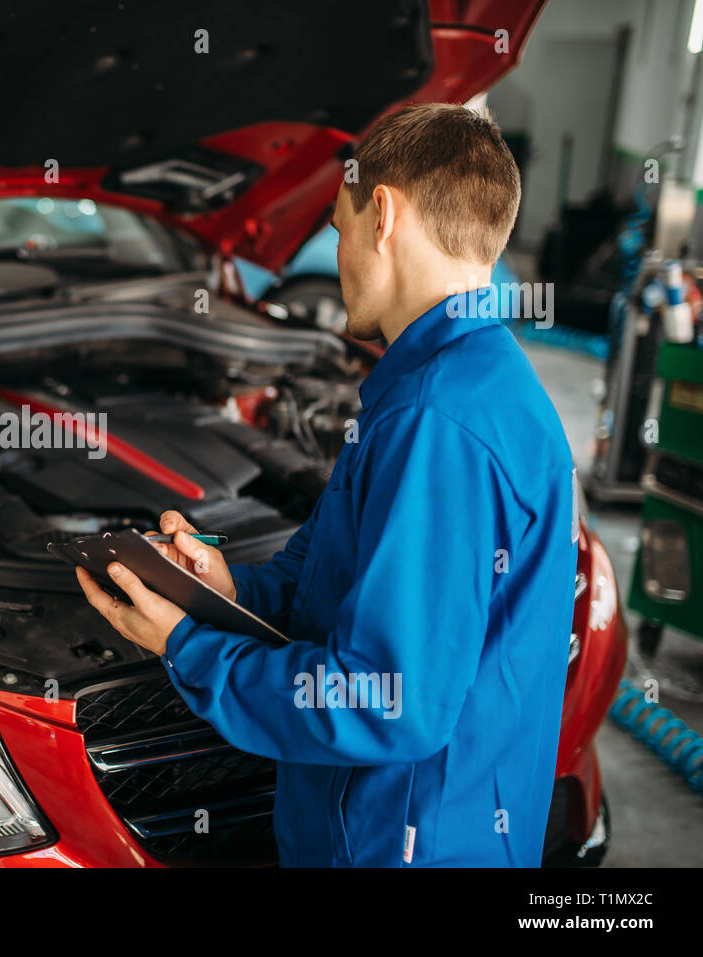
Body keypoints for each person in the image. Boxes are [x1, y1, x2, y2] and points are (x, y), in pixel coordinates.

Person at [77, 103, 578, 867]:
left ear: (382, 214)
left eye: (338, 230)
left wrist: (187, 646)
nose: (337, 254)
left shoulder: (437, 422)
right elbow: (340, 586)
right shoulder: (463, 384)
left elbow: (386, 702)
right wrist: (229, 589)